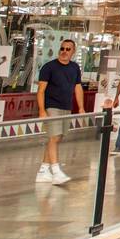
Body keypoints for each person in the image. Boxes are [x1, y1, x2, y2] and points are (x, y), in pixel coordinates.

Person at [35, 38, 84, 184]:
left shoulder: (74, 68)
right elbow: (41, 90)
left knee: (57, 137)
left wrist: (81, 108)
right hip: (52, 106)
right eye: (62, 48)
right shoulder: (49, 67)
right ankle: (56, 170)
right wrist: (42, 110)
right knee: (54, 137)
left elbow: (78, 87)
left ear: (73, 52)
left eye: (68, 49)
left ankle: (43, 170)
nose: (64, 51)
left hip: (66, 107)